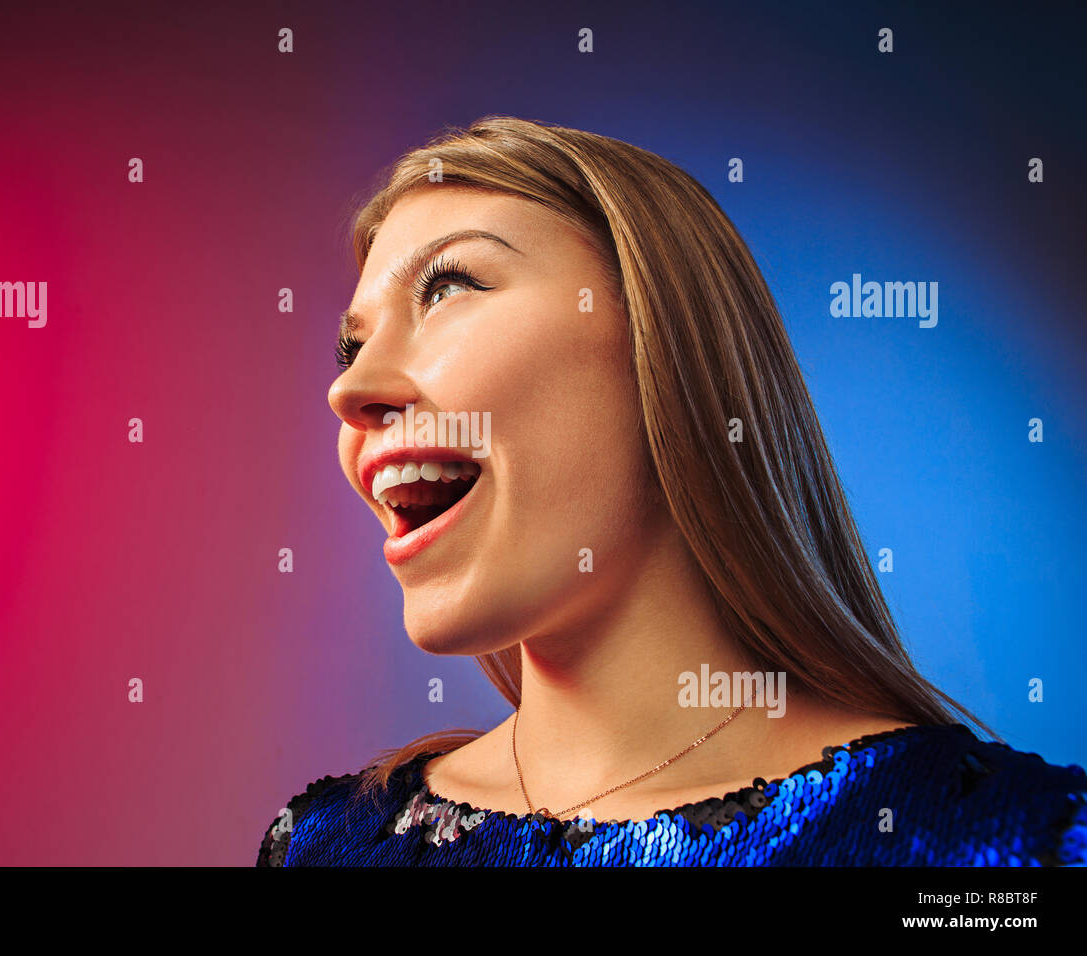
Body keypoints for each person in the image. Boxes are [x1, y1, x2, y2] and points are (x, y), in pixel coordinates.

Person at [258, 116, 1087, 866]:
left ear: (669, 346)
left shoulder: (1011, 844)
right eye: (349, 348)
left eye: (448, 289)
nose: (350, 391)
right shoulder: (322, 846)